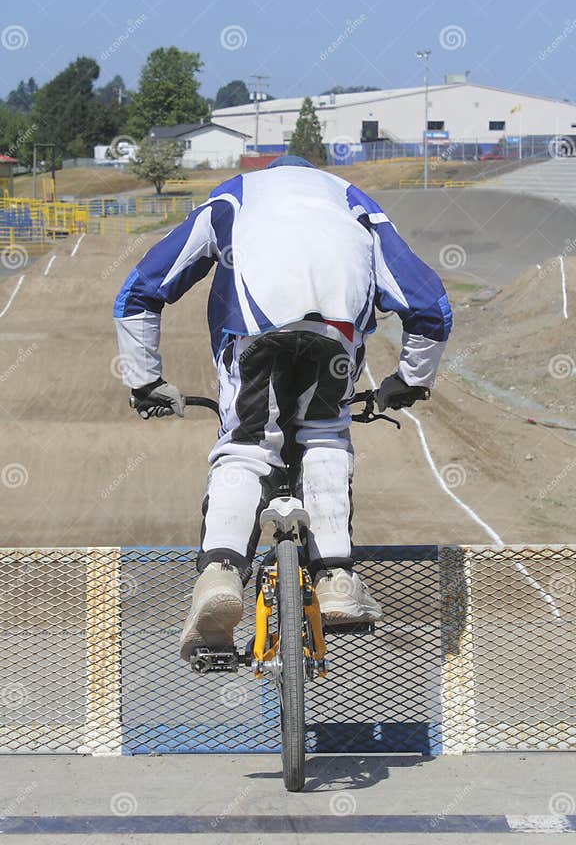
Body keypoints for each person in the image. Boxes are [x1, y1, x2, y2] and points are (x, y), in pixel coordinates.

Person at [114, 155, 452, 661]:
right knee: (325, 435)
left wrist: (145, 380)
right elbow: (430, 306)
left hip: (255, 328)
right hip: (336, 332)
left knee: (247, 447)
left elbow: (140, 291)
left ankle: (219, 574)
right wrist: (409, 381)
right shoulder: (354, 201)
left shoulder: (234, 195)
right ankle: (336, 578)